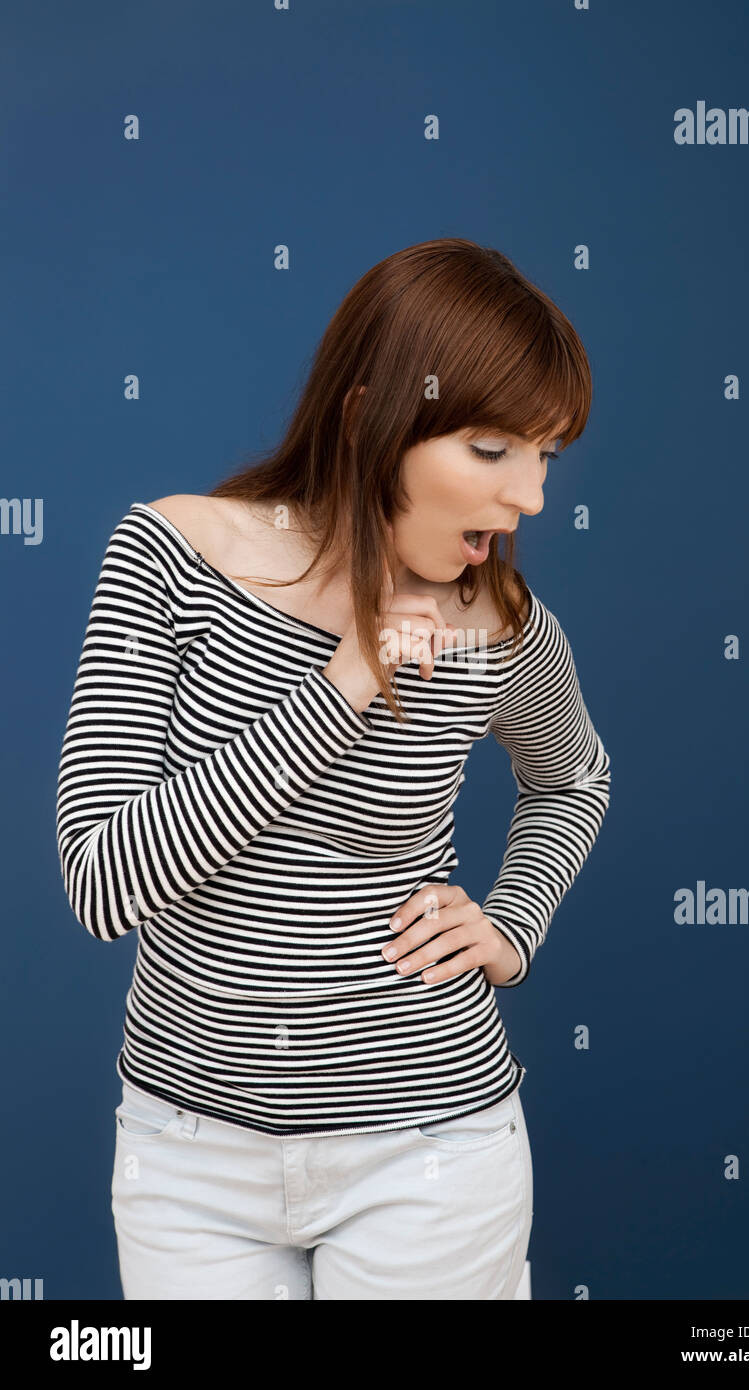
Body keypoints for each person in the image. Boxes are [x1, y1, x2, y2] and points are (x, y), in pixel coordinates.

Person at [56, 236, 611, 1300]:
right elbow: (100, 882)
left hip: (433, 1152)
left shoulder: (498, 624)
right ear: (370, 420)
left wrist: (511, 923)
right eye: (494, 450)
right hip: (188, 1161)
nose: (532, 496)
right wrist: (342, 686)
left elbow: (571, 778)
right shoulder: (172, 557)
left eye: (546, 454)